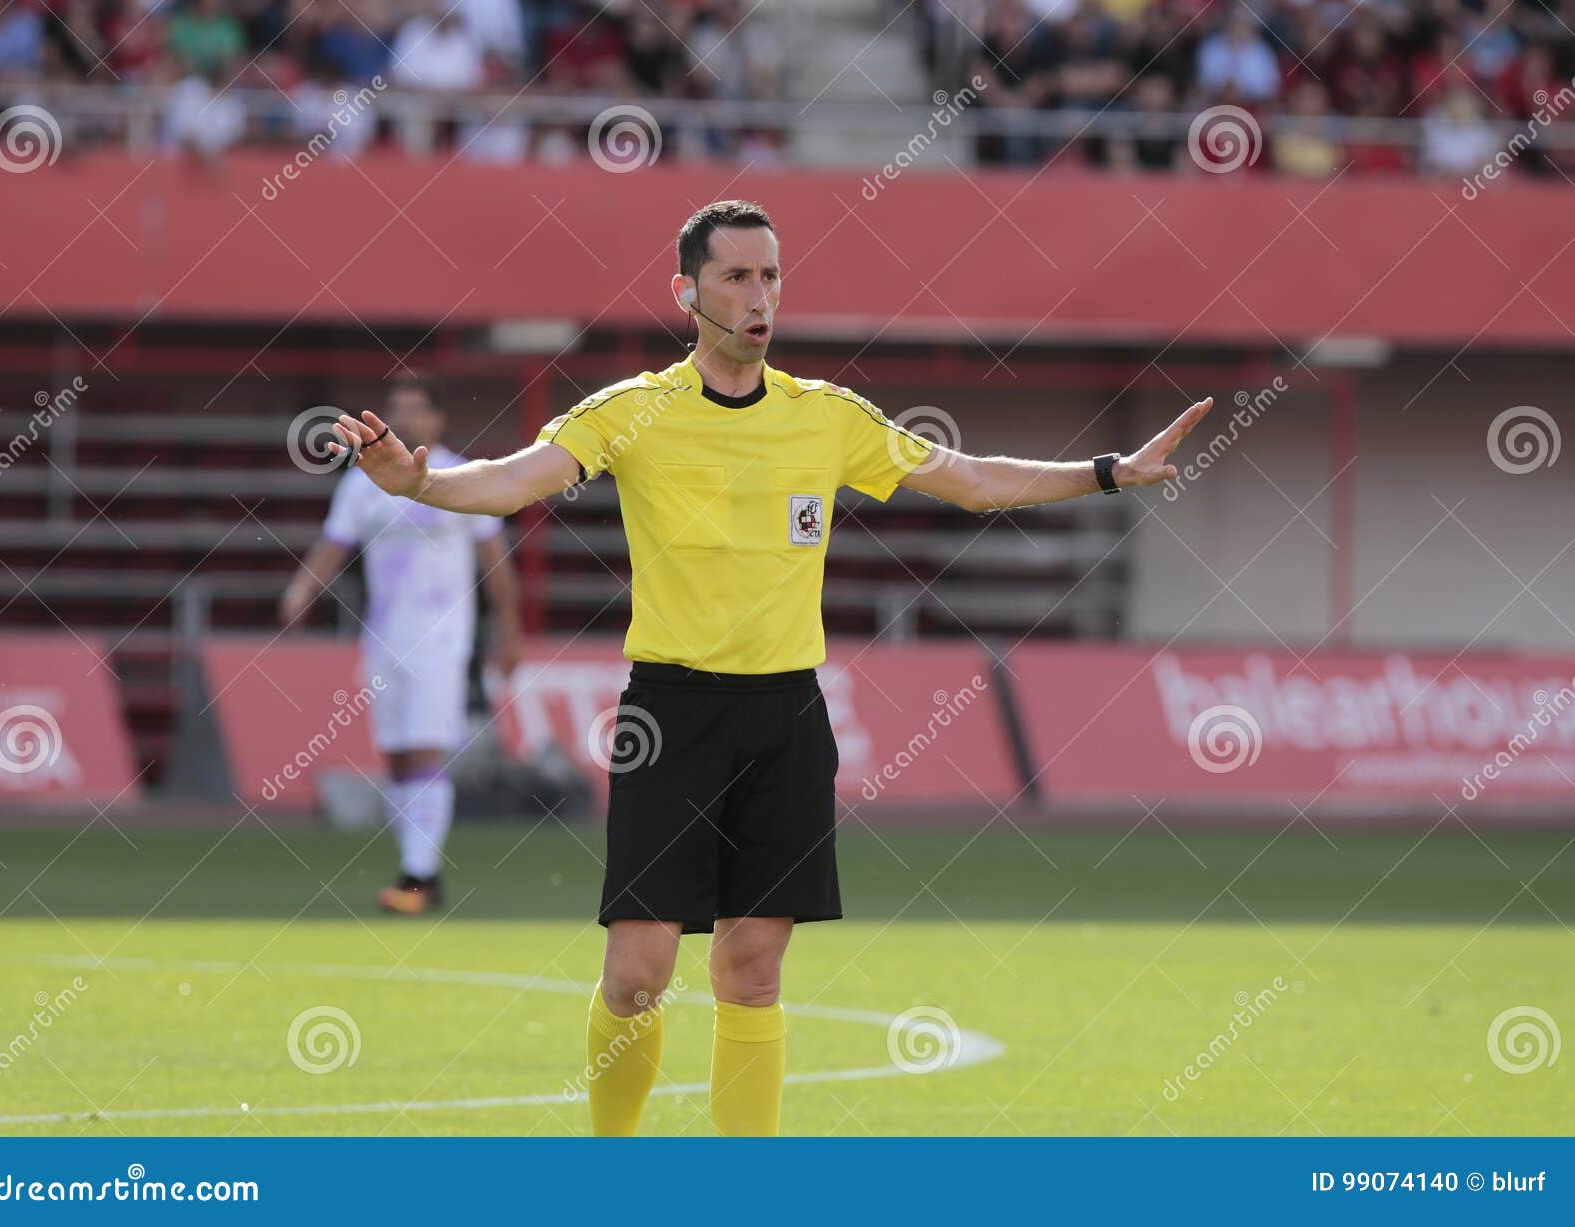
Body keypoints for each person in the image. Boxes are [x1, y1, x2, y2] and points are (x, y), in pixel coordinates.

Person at [327, 200, 1213, 1133]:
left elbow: (974, 479)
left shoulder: (825, 417)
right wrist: (420, 483)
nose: (761, 296)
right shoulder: (631, 411)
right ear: (687, 291)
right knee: (637, 976)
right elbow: (508, 481)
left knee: (752, 972)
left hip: (787, 717)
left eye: (772, 276)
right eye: (737, 277)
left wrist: (1111, 469)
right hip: (668, 714)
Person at [281, 374, 523, 914]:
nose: (406, 418)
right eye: (397, 407)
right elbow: (333, 545)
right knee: (395, 757)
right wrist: (301, 590)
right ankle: (418, 872)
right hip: (384, 639)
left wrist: (509, 629)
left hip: (442, 639)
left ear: (438, 419)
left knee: (423, 750)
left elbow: (496, 561)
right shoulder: (361, 480)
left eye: (417, 408)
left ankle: (420, 876)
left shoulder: (459, 474)